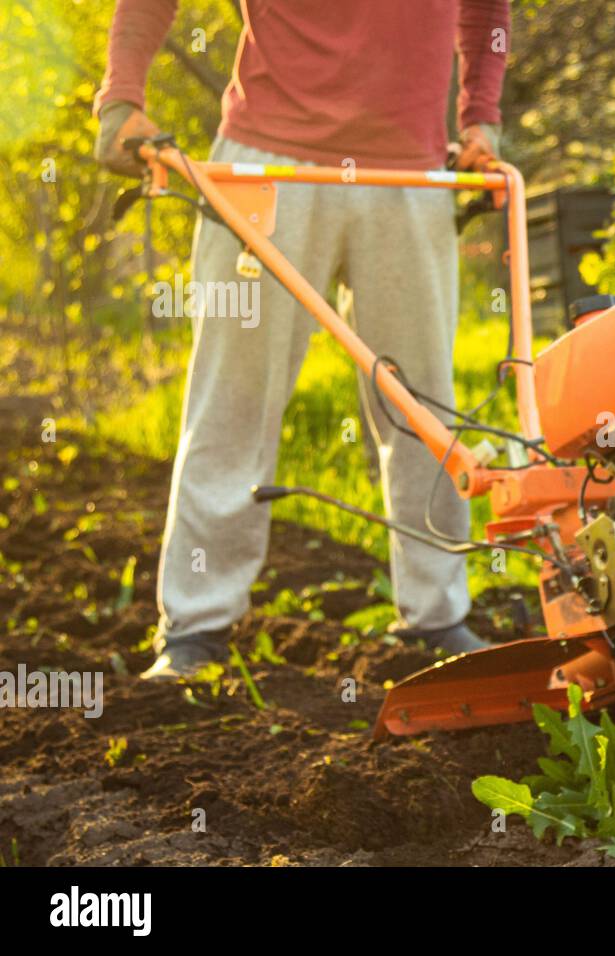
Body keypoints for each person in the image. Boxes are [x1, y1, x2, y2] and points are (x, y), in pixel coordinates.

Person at [93, 1, 509, 679]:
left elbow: (486, 9)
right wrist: (120, 100)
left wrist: (479, 119)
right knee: (234, 400)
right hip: (266, 167)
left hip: (411, 172)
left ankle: (437, 617)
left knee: (423, 406)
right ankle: (195, 629)